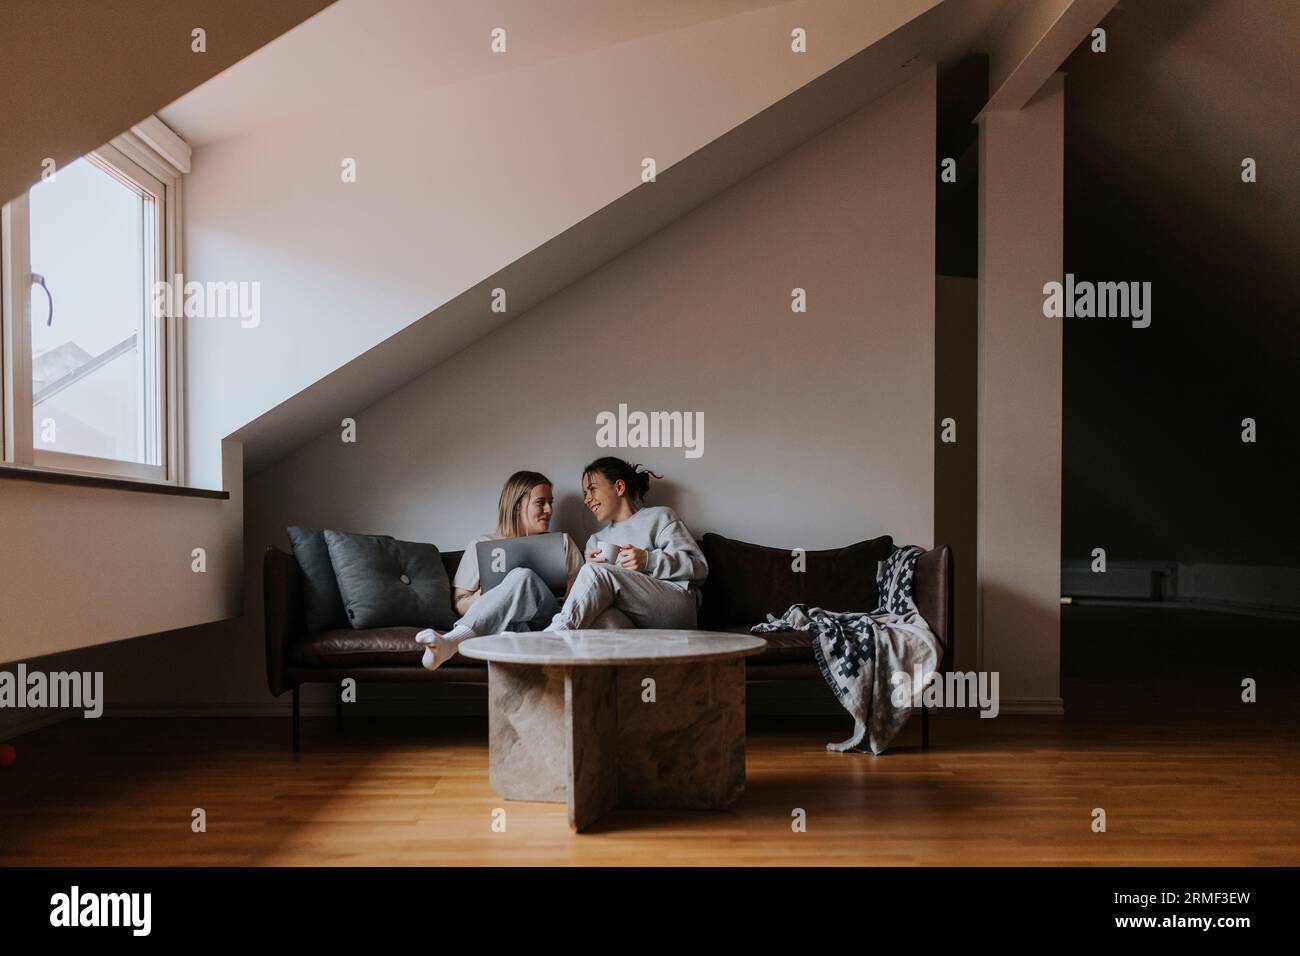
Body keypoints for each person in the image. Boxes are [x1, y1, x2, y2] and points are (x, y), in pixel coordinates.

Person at [418, 471, 581, 670]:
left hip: (548, 622)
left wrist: (573, 585)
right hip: (506, 627)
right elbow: (459, 603)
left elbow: (583, 598)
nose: (549, 509)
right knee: (510, 628)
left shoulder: (562, 542)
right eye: (541, 502)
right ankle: (451, 645)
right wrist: (486, 597)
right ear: (518, 505)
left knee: (523, 576)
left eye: (551, 502)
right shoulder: (482, 545)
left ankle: (451, 642)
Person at [547, 457, 707, 632]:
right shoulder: (595, 540)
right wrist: (586, 571)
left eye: (592, 489)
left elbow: (699, 568)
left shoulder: (660, 517)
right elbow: (580, 603)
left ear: (619, 487)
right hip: (632, 620)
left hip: (676, 607)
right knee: (597, 621)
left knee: (593, 572)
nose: (587, 500)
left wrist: (649, 560)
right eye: (585, 493)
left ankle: (552, 638)